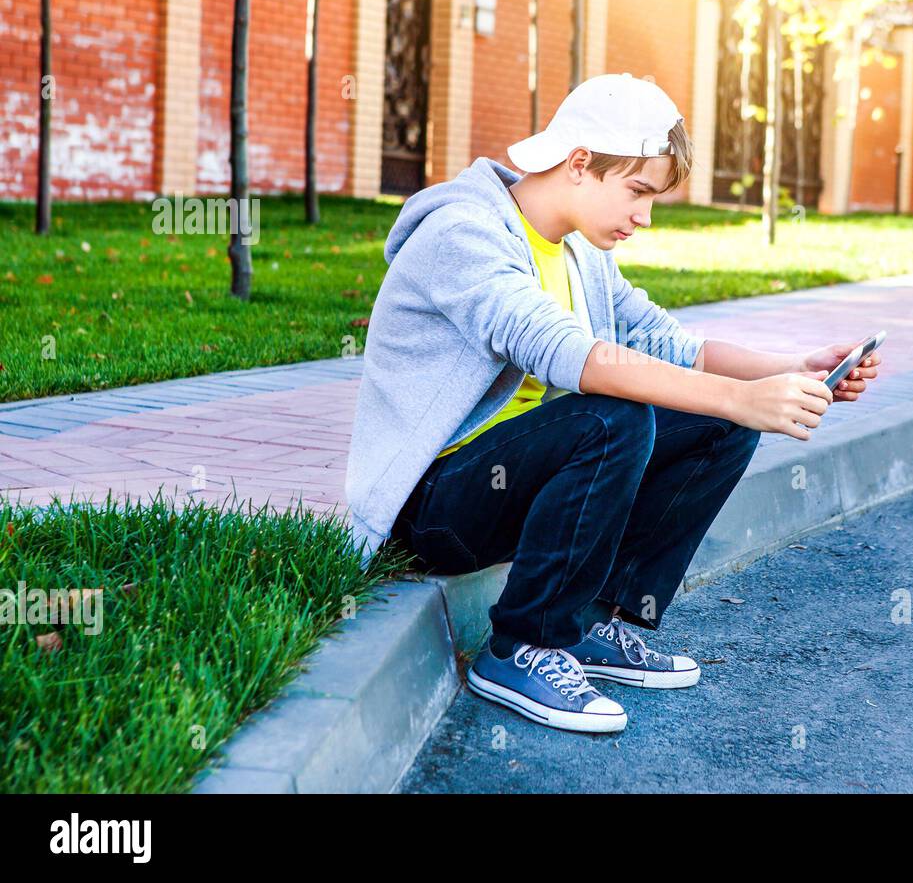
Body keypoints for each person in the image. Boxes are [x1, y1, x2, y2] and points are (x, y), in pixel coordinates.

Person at [344, 73, 881, 733]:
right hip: (434, 506)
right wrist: (746, 398)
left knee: (716, 422)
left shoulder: (579, 252)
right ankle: (521, 646)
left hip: (514, 483)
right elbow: (581, 358)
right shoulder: (463, 232)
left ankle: (589, 621)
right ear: (578, 164)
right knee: (615, 415)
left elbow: (673, 347)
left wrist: (794, 368)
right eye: (637, 192)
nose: (644, 217)